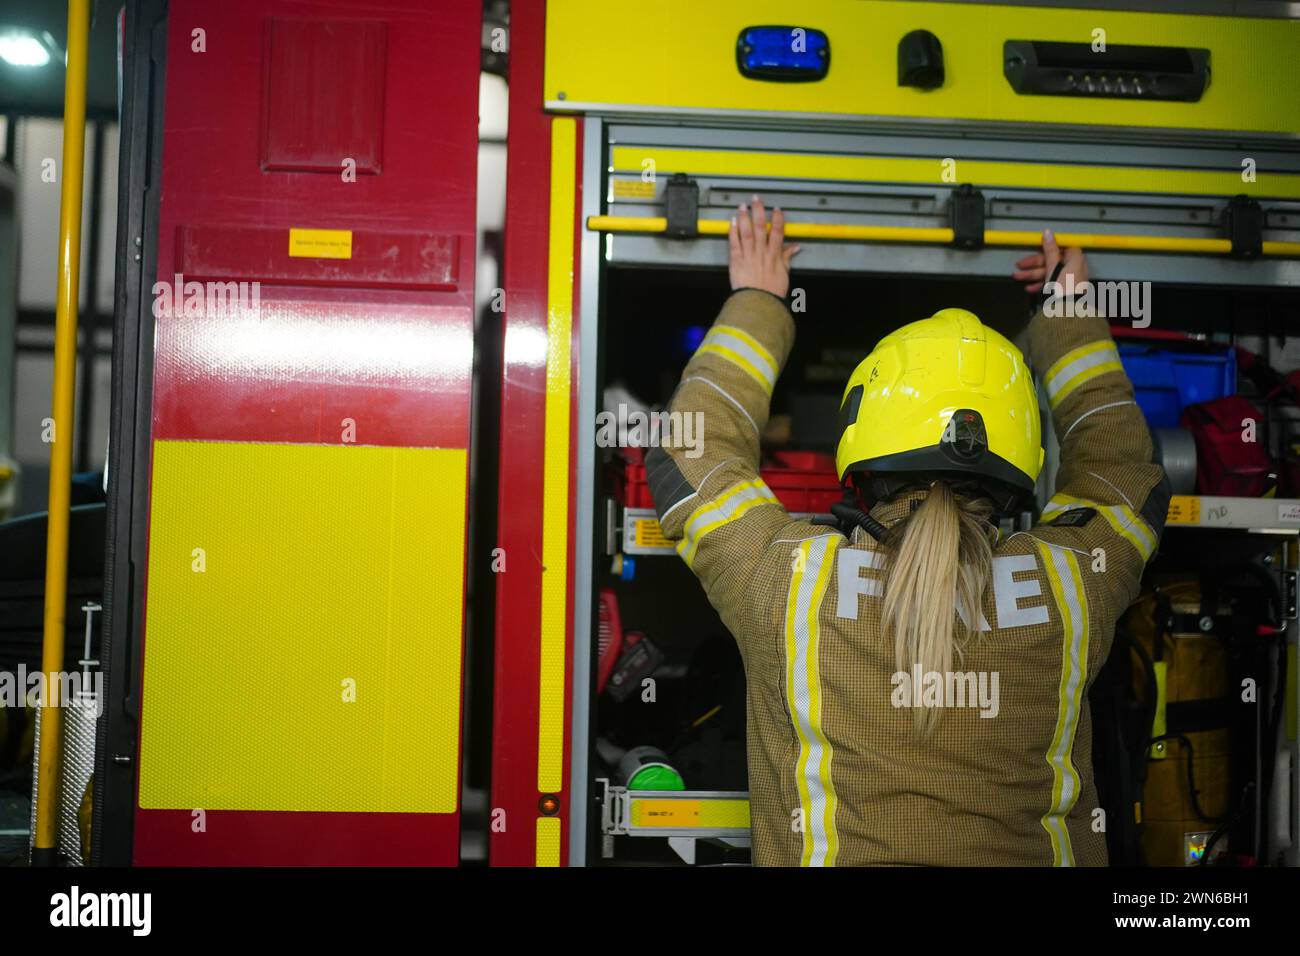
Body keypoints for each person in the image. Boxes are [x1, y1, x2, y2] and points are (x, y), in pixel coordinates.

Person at [645, 199, 1170, 866]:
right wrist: (1068, 321)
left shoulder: (790, 583)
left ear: (863, 438)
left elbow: (686, 456)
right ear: (1020, 456)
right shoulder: (1072, 586)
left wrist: (758, 301)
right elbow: (1128, 475)